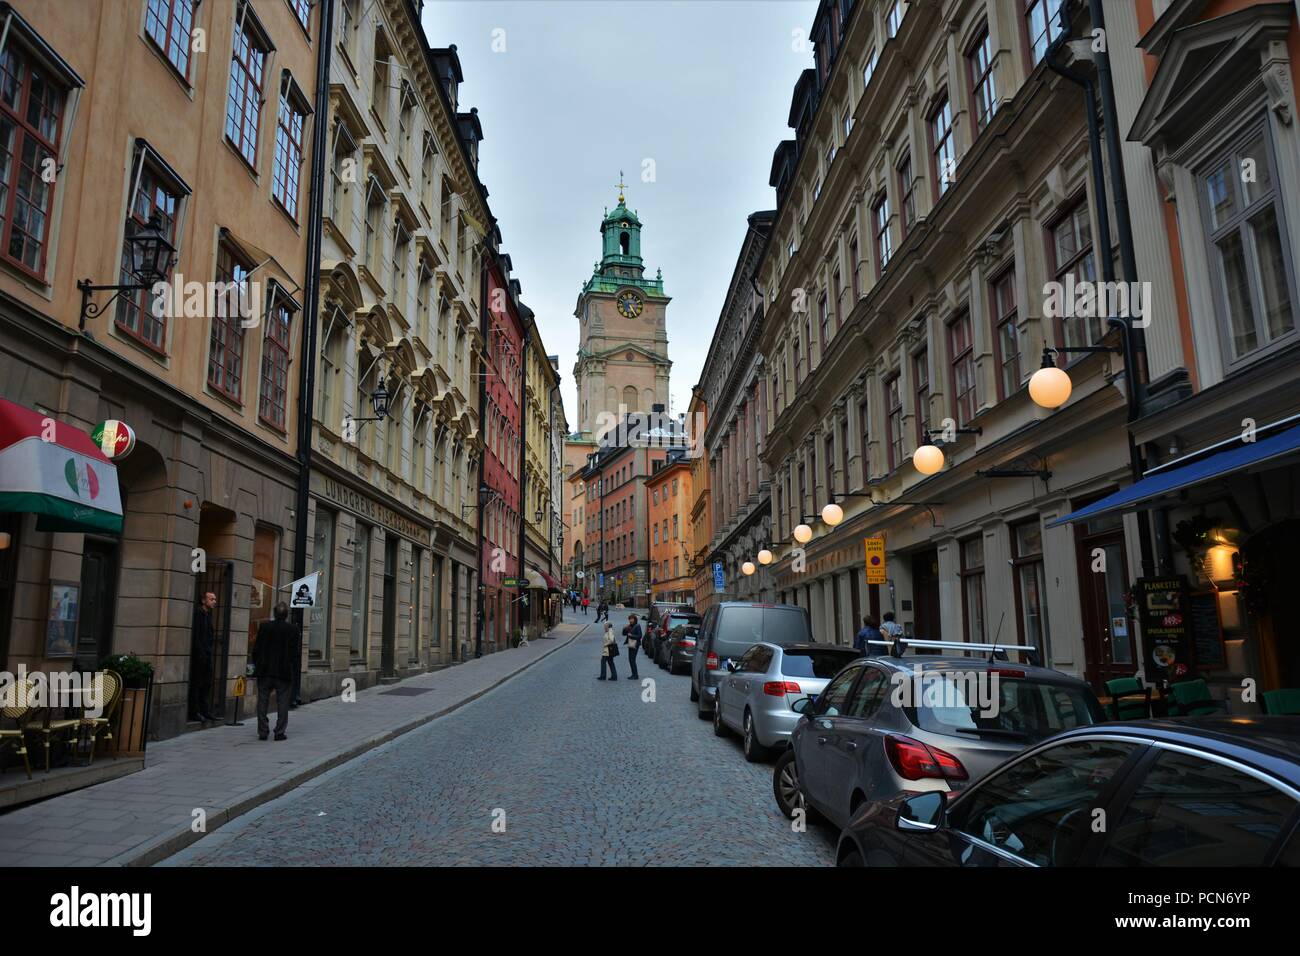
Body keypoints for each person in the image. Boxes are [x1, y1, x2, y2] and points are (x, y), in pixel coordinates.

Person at [253, 602, 297, 740]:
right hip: (283, 672)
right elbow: (295, 653)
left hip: (265, 670)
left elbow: (257, 648)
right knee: (283, 703)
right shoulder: (293, 629)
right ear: (286, 615)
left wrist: (258, 664)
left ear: (274, 613)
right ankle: (279, 732)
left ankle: (262, 731)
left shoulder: (264, 627)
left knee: (262, 702)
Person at [189, 591, 218, 723]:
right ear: (203, 601)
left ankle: (205, 711)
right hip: (200, 656)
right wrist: (200, 653)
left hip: (207, 655)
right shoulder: (198, 614)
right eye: (211, 599)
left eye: (214, 599)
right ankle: (194, 712)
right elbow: (196, 635)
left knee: (206, 684)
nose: (214, 601)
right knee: (197, 684)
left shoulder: (208, 615)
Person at [622, 614, 643, 680]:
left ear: (635, 619)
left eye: (632, 619)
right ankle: (634, 674)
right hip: (631, 644)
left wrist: (631, 635)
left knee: (632, 660)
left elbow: (639, 636)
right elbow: (624, 634)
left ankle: (635, 675)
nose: (630, 620)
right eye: (629, 619)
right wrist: (625, 628)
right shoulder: (630, 626)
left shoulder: (637, 626)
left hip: (635, 644)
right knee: (631, 660)